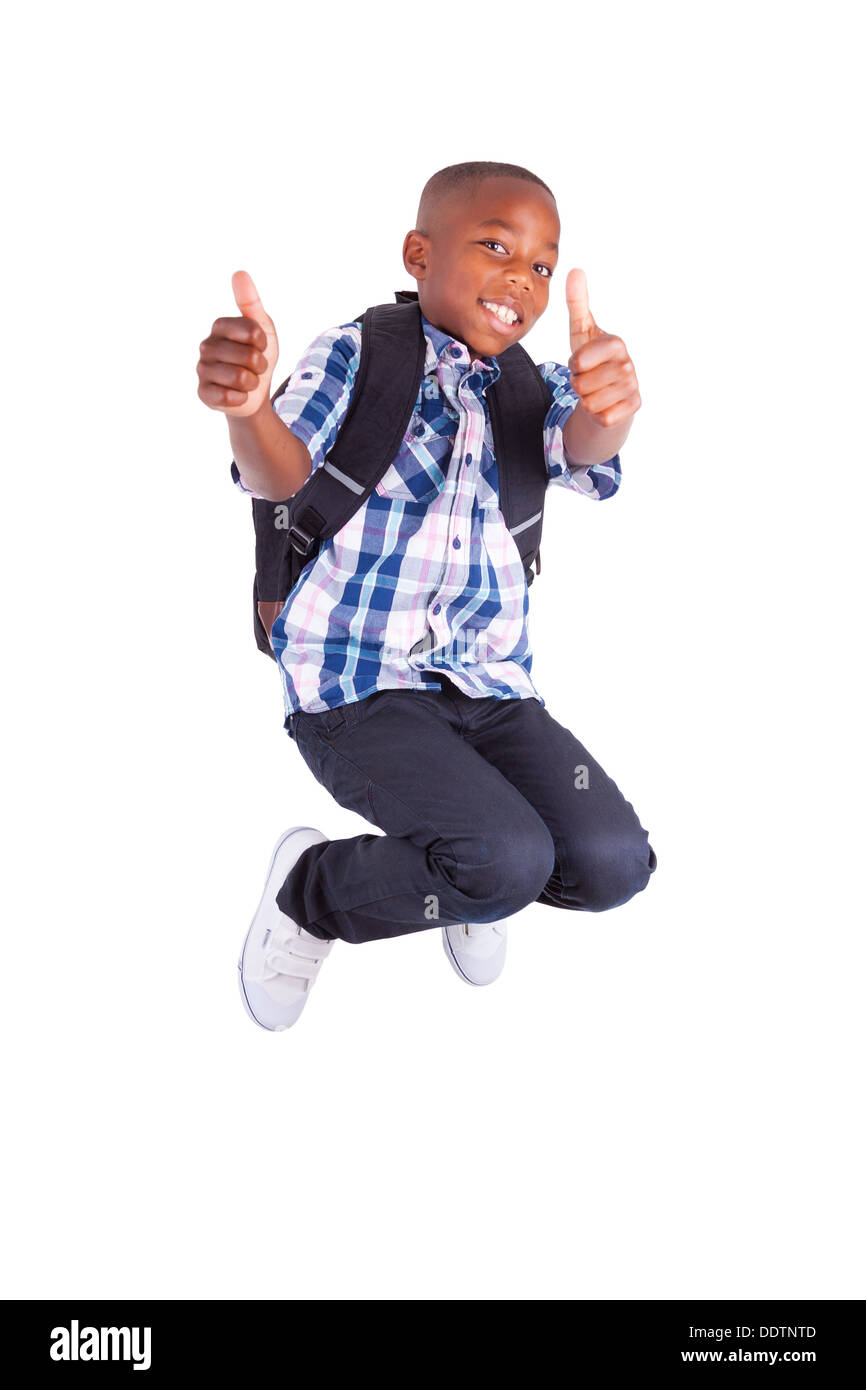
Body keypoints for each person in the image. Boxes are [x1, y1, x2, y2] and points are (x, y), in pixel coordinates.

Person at [196, 159, 657, 1033]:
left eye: (542, 266)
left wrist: (615, 405)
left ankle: (467, 875)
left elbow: (586, 449)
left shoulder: (533, 386)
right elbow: (279, 473)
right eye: (496, 246)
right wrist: (247, 409)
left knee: (610, 864)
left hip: (489, 692)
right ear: (419, 252)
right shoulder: (360, 353)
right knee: (504, 862)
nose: (522, 278)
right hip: (359, 689)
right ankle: (311, 895)